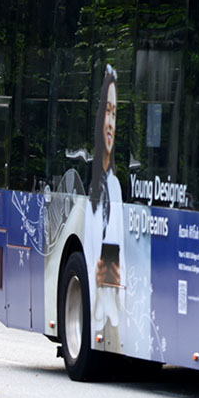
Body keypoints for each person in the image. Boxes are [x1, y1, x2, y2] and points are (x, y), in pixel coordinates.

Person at [86, 65, 126, 342]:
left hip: (108, 312)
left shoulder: (115, 187)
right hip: (94, 308)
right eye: (107, 111)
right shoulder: (87, 185)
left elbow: (117, 256)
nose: (111, 121)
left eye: (115, 112)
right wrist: (93, 271)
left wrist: (112, 274)